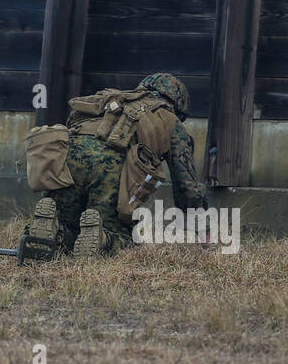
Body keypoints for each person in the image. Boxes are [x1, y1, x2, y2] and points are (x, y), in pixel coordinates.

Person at [28, 73, 208, 257]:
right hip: (110, 168)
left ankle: (53, 231)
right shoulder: (171, 121)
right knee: (123, 239)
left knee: (69, 228)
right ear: (179, 105)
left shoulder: (115, 100)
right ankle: (103, 240)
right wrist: (204, 227)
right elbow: (188, 187)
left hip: (67, 159)